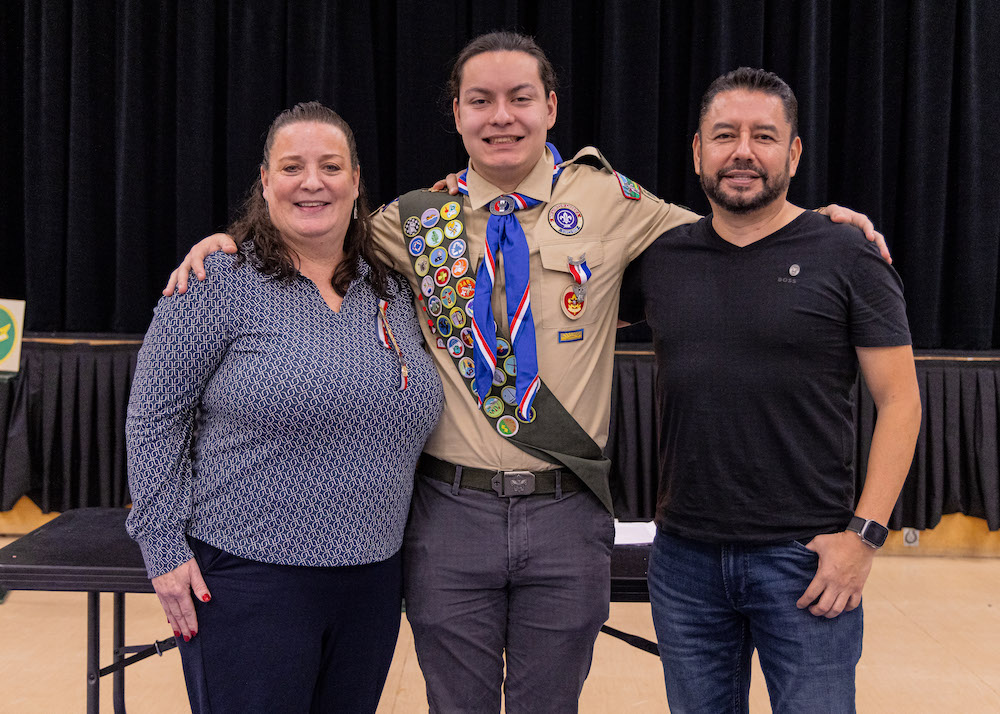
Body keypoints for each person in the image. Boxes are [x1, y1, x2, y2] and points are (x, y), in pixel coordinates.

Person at [165, 33, 888, 713]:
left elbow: (734, 234)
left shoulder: (612, 200)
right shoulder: (412, 223)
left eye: (520, 97)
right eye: (480, 100)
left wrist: (818, 221)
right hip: (450, 513)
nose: (501, 116)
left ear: (551, 107)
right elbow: (312, 228)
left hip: (565, 511)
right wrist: (230, 241)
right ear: (456, 114)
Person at [619, 68, 922, 713]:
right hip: (684, 560)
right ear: (697, 151)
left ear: (795, 152)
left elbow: (901, 402)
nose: (743, 153)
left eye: (764, 136)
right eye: (724, 135)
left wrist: (863, 538)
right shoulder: (663, 259)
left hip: (809, 562)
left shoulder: (847, 254)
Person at [126, 101, 444, 714]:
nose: (312, 181)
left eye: (330, 165)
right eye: (292, 166)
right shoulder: (215, 282)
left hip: (373, 578)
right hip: (249, 576)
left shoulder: (394, 290)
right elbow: (154, 420)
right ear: (265, 181)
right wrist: (163, 550)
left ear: (355, 182)